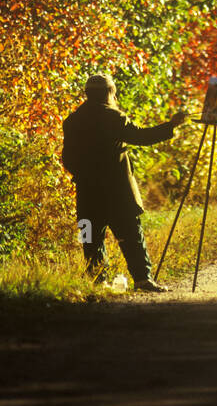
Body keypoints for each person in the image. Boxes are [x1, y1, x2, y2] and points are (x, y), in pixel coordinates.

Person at [61, 72, 185, 294]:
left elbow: (67, 158)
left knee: (89, 237)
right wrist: (171, 125)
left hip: (87, 191)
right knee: (131, 235)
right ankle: (143, 280)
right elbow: (142, 137)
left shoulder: (72, 121)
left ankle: (98, 282)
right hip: (117, 191)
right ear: (110, 92)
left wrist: (83, 175)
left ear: (88, 94)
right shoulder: (114, 117)